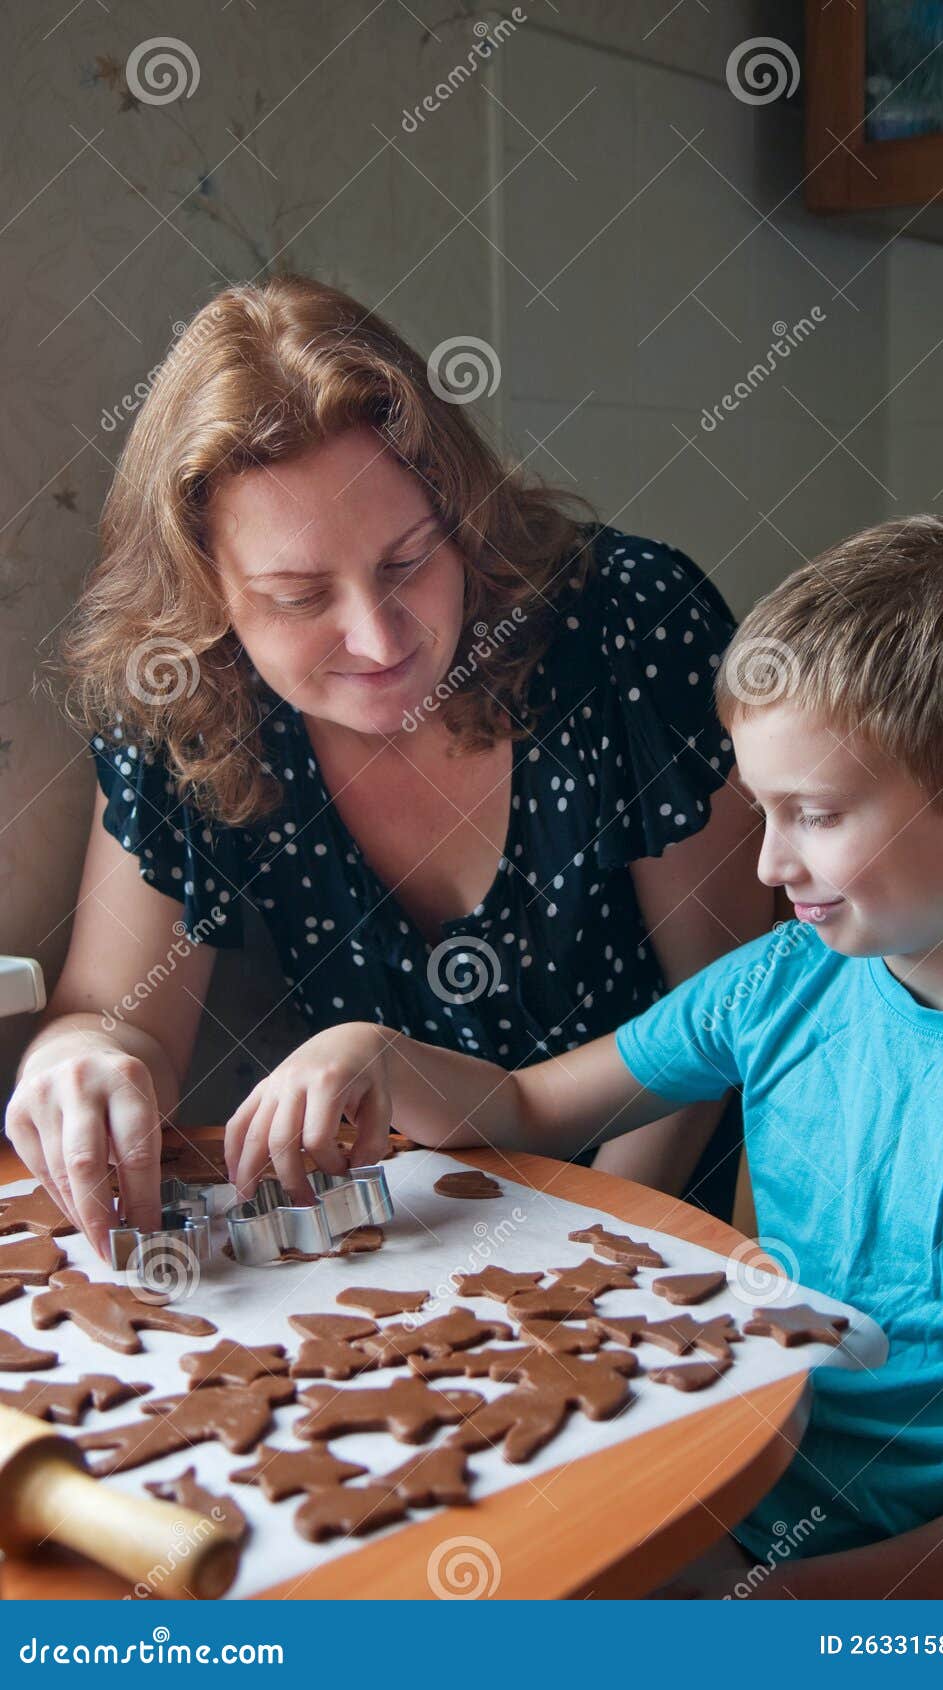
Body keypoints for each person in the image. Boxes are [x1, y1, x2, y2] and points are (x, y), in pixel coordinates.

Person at [220, 515, 943, 1598]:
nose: (773, 861)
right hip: (744, 1516)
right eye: (761, 811)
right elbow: (531, 1106)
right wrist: (370, 1049)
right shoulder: (783, 979)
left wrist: (793, 1608)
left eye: (815, 814)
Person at [6, 274, 769, 1261]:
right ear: (208, 602)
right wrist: (76, 1064)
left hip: (667, 1230)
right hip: (414, 1250)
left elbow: (720, 1020)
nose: (376, 639)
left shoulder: (627, 625)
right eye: (297, 595)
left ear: (461, 514)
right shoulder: (189, 700)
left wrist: (586, 1270)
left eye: (409, 560)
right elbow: (120, 1024)